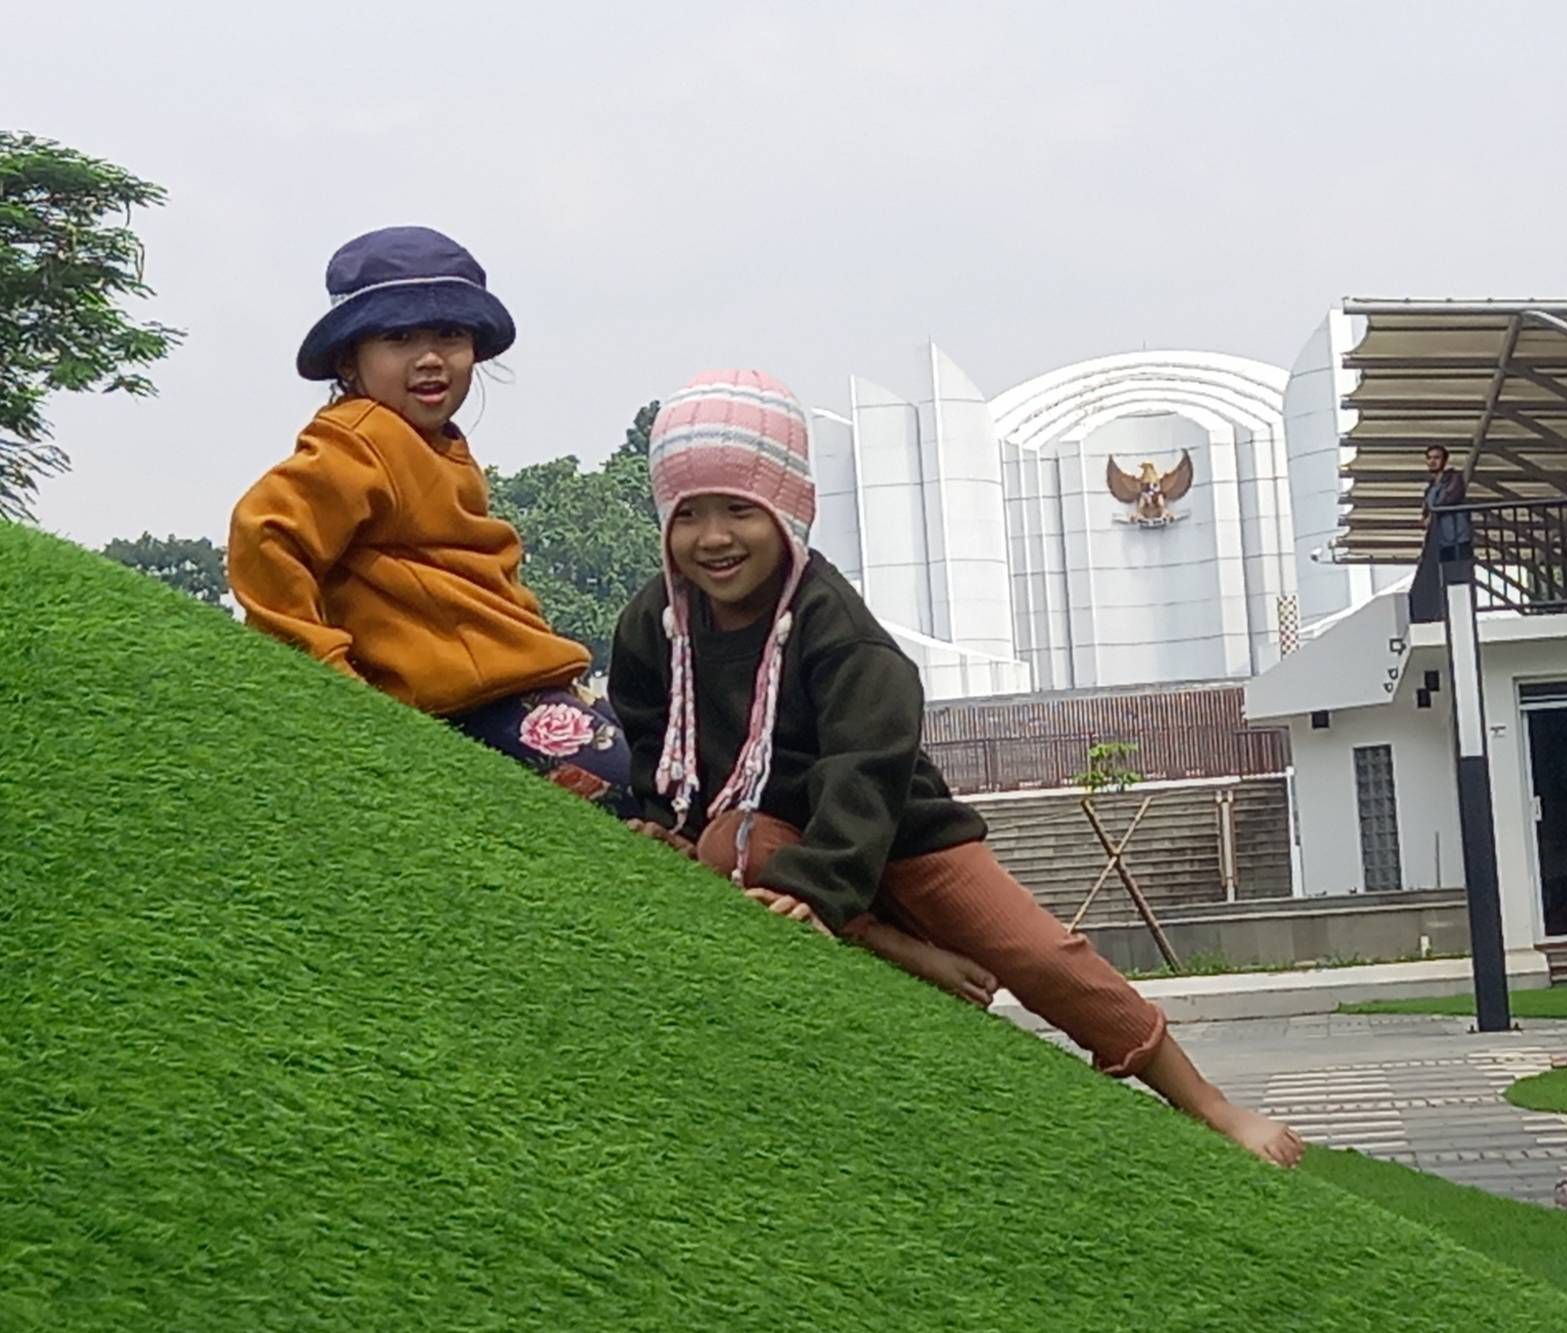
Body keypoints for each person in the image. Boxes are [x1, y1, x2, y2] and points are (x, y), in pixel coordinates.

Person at [608, 369, 1305, 1167]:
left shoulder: (834, 625)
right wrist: (666, 822)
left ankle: (1211, 1102)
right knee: (724, 842)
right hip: (777, 835)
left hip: (896, 831)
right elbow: (652, 735)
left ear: (788, 510)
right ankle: (910, 954)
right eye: (689, 514)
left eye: (740, 509)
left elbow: (864, 763)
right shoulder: (654, 623)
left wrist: (819, 886)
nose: (714, 537)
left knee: (1043, 955)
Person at [228, 225, 633, 812]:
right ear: (350, 359)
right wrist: (323, 669)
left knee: (663, 752)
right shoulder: (361, 439)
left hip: (514, 683)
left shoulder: (437, 446)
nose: (430, 358)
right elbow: (264, 529)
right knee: (630, 787)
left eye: (450, 335)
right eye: (398, 337)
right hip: (465, 700)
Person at [1422, 444, 1471, 560]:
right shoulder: (1430, 488)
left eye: (1436, 457)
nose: (1432, 461)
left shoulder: (1454, 478)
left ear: (1445, 460)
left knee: (1458, 571)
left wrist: (1432, 513)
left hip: (1457, 537)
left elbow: (1452, 498)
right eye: (1429, 458)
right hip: (1439, 539)